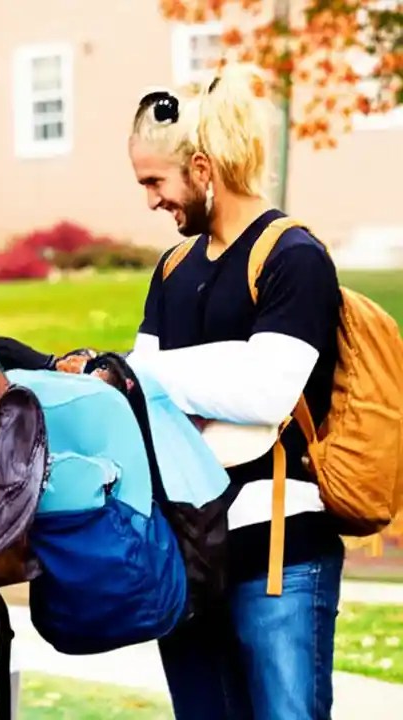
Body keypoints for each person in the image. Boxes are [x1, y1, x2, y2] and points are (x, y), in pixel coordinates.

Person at [125, 63, 344, 719]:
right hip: (189, 556)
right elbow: (136, 403)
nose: (151, 201)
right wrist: (164, 383)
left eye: (155, 182)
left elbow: (266, 392)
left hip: (279, 554)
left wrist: (157, 378)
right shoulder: (172, 271)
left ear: (200, 168)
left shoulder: (293, 256)